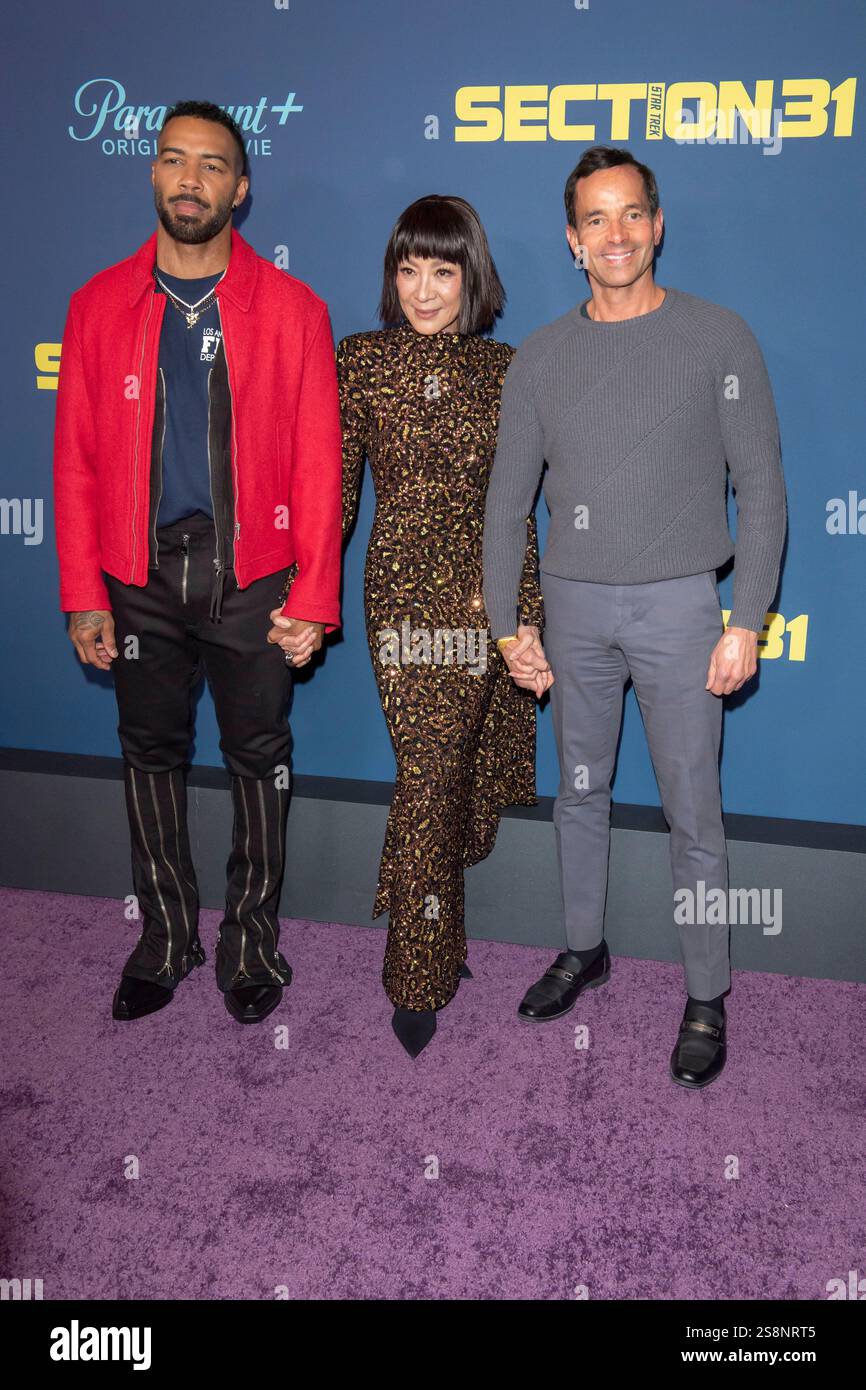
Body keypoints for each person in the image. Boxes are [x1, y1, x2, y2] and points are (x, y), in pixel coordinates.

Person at [482, 146, 786, 1088]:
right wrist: (505, 622)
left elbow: (763, 489)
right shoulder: (540, 354)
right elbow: (506, 502)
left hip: (682, 606)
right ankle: (585, 947)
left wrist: (748, 620)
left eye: (631, 216)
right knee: (579, 791)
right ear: (572, 242)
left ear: (657, 225)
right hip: (572, 609)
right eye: (595, 221)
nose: (615, 236)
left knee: (694, 813)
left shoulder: (719, 338)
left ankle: (706, 990)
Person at [53, 101, 343, 1026]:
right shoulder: (97, 305)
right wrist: (82, 592)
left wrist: (315, 593)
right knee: (149, 755)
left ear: (241, 189)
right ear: (152, 175)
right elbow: (76, 461)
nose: (190, 180)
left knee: (261, 757)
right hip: (137, 573)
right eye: (174, 161)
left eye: (212, 165)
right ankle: (165, 938)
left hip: (253, 571)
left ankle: (251, 944)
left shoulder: (294, 310)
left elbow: (318, 465)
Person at [335, 194, 552, 1057]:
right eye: (409, 269)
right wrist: (302, 592)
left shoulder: (509, 369)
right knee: (429, 774)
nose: (423, 290)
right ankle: (416, 976)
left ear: (472, 277)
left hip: (483, 600)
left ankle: (440, 930)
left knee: (453, 775)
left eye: (443, 271)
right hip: (400, 600)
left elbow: (519, 509)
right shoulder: (360, 362)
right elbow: (336, 498)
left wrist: (520, 617)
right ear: (394, 276)